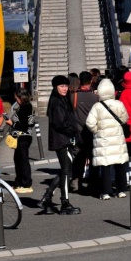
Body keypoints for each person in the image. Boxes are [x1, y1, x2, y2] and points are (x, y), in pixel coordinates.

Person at [40, 75, 82, 215]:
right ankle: (64, 203)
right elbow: (59, 123)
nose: (64, 89)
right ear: (55, 87)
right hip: (62, 140)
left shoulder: (62, 99)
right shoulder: (57, 102)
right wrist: (74, 131)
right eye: (61, 86)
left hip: (63, 139)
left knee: (65, 169)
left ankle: (47, 198)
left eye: (66, 86)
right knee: (66, 171)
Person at [86, 78, 130, 199]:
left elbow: (90, 123)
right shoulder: (119, 104)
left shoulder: (97, 106)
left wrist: (97, 130)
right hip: (117, 139)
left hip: (103, 140)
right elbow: (125, 118)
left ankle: (106, 192)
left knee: (105, 166)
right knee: (120, 165)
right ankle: (121, 190)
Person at [71, 71, 100, 193]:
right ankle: (94, 183)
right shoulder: (96, 97)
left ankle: (76, 183)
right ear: (91, 81)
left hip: (78, 131)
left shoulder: (74, 96)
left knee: (78, 158)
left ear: (79, 81)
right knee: (94, 158)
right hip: (93, 131)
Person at [9, 89, 34, 193]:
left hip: (23, 136)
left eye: (17, 98)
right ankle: (19, 182)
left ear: (21, 97)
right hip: (24, 136)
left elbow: (24, 125)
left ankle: (26, 183)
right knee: (18, 159)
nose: (16, 100)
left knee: (22, 160)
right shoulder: (27, 106)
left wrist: (12, 123)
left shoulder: (25, 107)